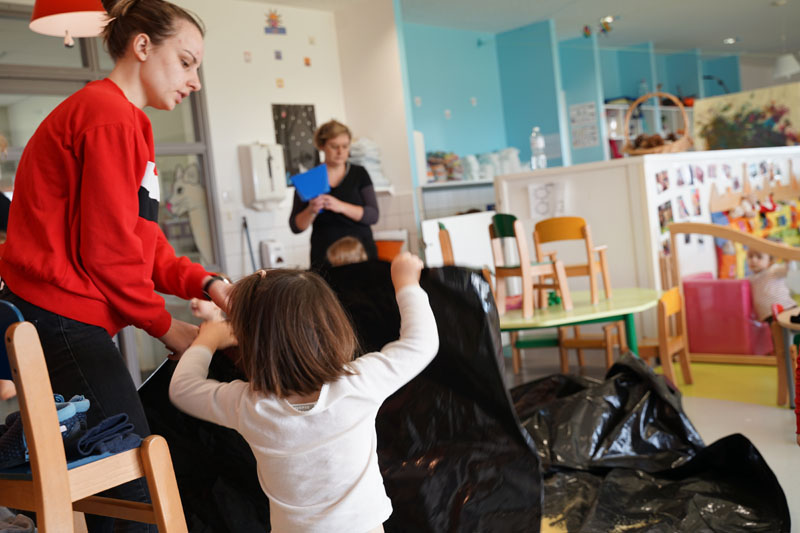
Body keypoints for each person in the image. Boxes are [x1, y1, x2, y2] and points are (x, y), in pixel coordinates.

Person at [0, 1, 231, 530]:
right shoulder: (107, 116)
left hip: (60, 315)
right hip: (59, 317)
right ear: (143, 45)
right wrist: (166, 326)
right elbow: (109, 253)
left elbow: (140, 242)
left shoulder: (131, 124)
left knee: (119, 479)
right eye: (188, 61)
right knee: (131, 494)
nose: (195, 80)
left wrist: (207, 282)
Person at [169, 252, 439, 533]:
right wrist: (406, 281)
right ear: (332, 326)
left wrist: (208, 339)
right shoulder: (360, 383)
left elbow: (183, 389)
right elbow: (422, 343)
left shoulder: (250, 406)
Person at [289, 120, 379, 271]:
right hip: (324, 259)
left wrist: (340, 206)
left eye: (345, 146)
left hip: (361, 255)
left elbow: (373, 215)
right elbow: (296, 227)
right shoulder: (310, 179)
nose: (340, 152)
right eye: (334, 146)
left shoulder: (359, 173)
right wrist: (311, 210)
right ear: (322, 146)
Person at [746, 248, 796, 322]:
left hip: (786, 308)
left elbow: (790, 268)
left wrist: (787, 256)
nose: (753, 260)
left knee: (792, 330)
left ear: (769, 260)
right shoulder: (750, 279)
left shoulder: (773, 270)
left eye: (759, 257)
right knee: (777, 332)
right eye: (750, 256)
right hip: (767, 316)